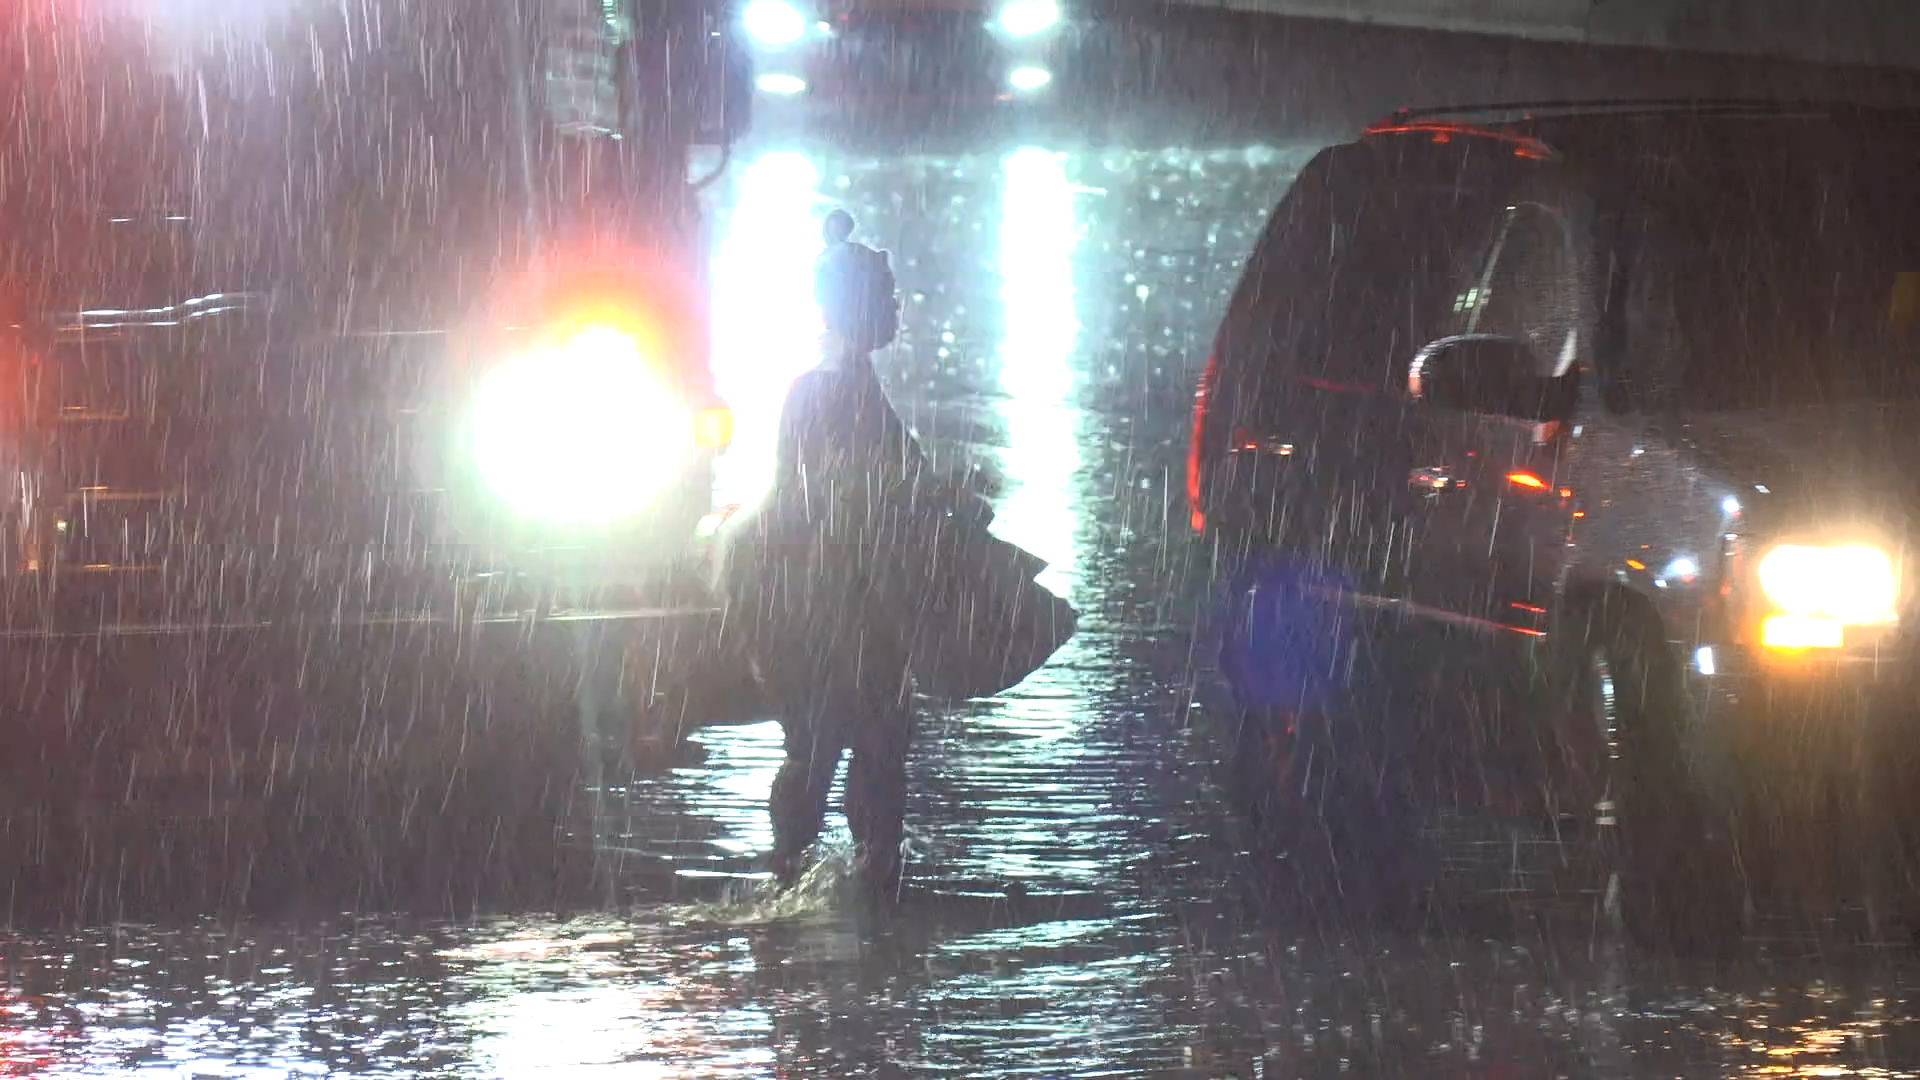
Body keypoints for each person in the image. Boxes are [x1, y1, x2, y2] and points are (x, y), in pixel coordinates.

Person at [734, 208, 931, 892]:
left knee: (840, 742)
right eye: (889, 295)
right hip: (831, 598)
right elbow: (841, 496)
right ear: (857, 304)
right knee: (847, 742)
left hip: (838, 596)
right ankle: (837, 882)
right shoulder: (829, 391)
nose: (899, 307)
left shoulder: (839, 387)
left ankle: (816, 880)